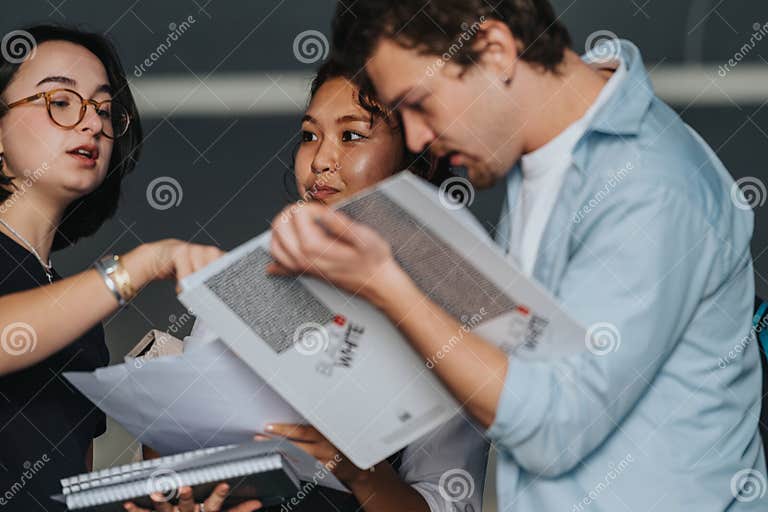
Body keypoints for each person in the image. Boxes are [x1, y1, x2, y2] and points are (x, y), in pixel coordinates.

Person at [268, 1, 766, 510]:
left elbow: (554, 432)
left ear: (496, 51)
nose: (418, 139)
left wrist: (388, 286)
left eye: (420, 103)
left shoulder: (650, 188)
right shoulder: (549, 153)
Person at [183, 58, 488, 512]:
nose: (321, 160)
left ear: (416, 157)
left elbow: (447, 503)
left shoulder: (445, 322)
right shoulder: (246, 286)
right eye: (310, 136)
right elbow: (173, 448)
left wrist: (354, 470)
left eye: (351, 135)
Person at [0, 25, 255, 512]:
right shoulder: (97, 290)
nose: (92, 124)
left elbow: (68, 489)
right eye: (59, 100)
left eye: (101, 108)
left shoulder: (76, 308)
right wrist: (140, 266)